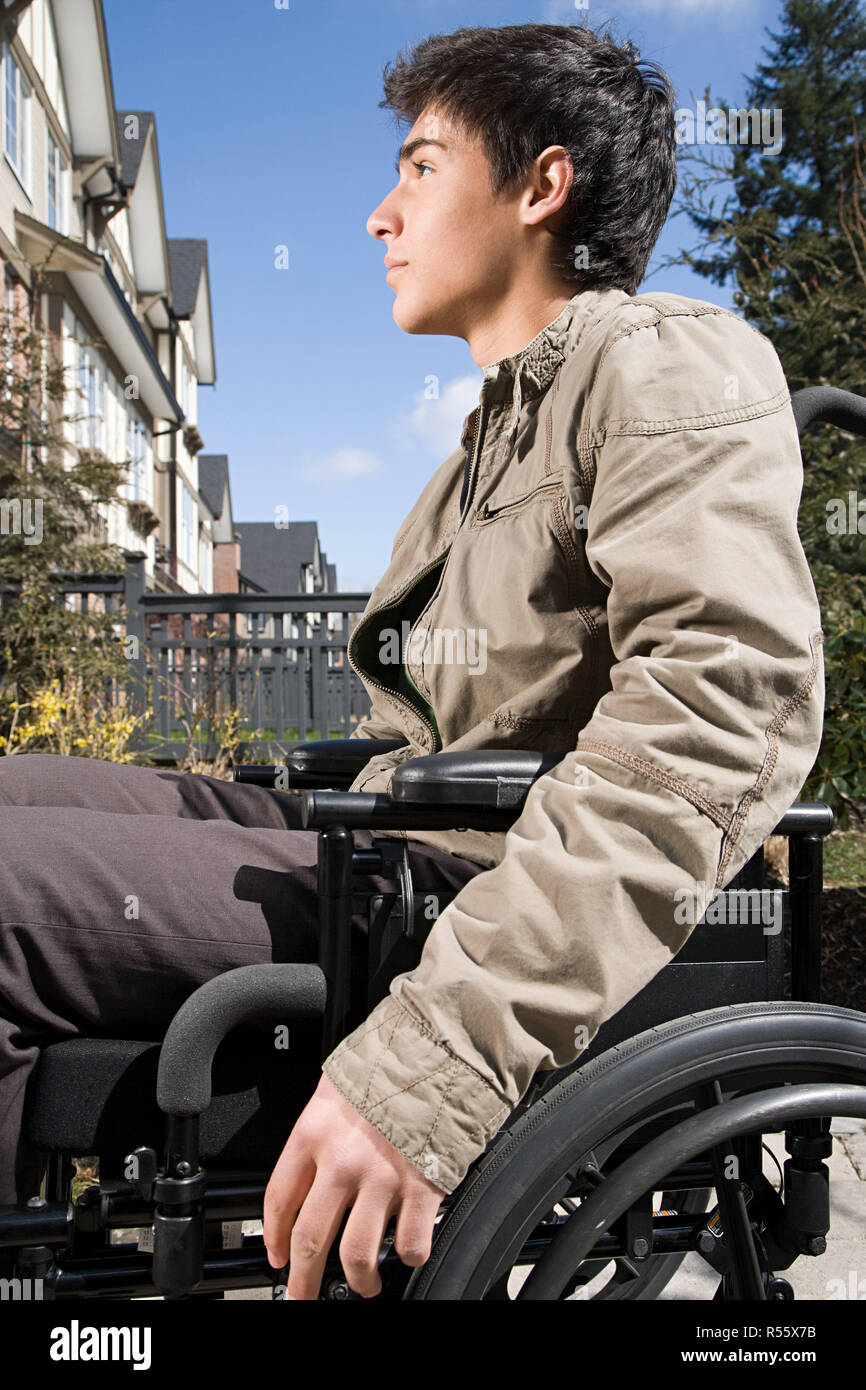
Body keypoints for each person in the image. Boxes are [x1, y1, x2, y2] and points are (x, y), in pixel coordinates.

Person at [0, 22, 825, 1302]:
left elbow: (718, 715)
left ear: (539, 187)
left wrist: (431, 1062)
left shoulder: (661, 361)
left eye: (421, 167)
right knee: (15, 789)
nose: (381, 214)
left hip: (469, 890)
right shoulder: (475, 452)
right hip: (400, 825)